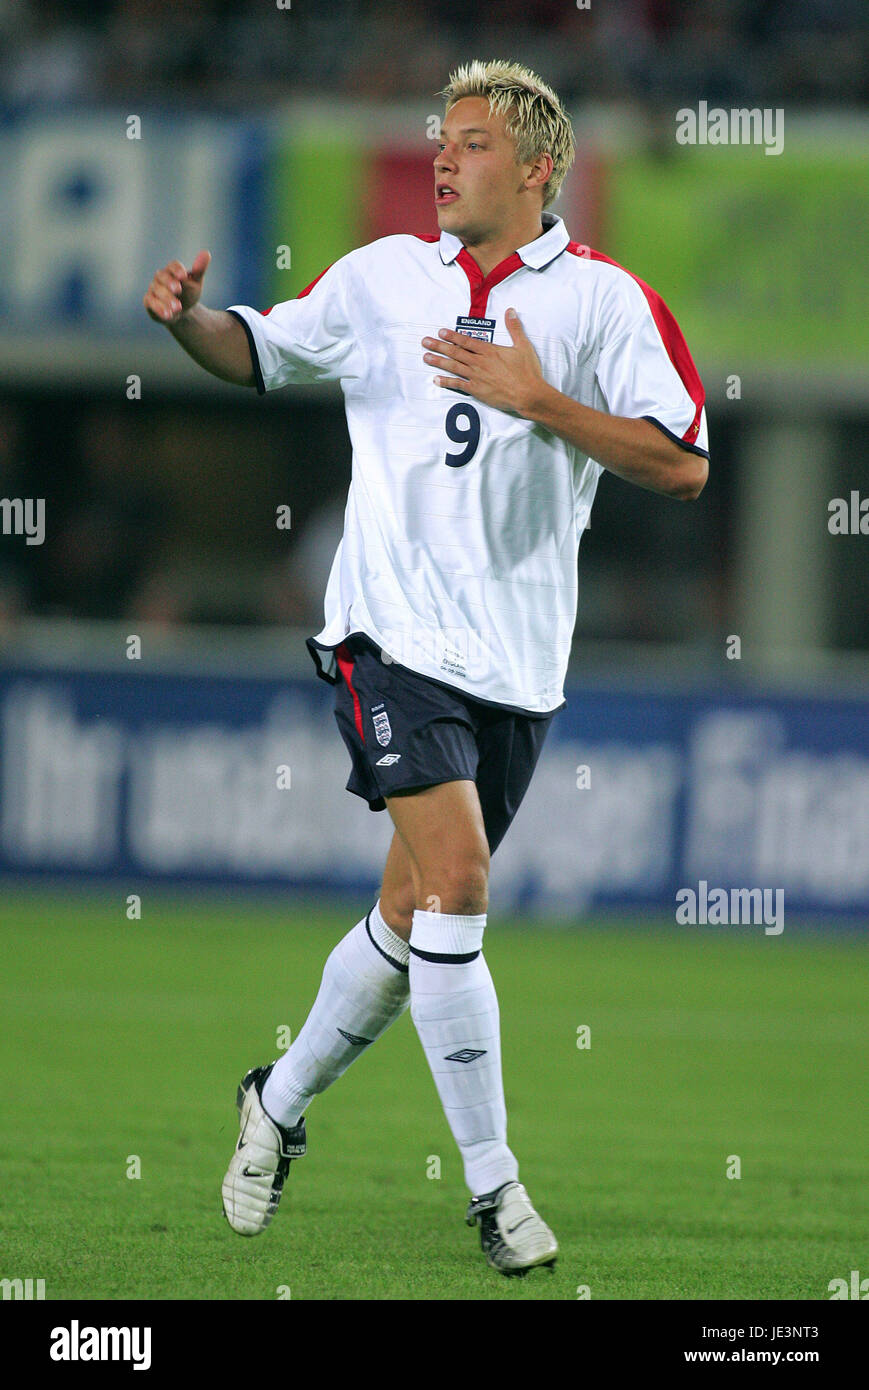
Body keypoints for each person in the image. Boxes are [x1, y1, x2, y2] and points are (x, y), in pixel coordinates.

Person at [143, 58, 709, 1278]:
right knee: (457, 883)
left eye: (468, 141)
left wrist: (539, 399)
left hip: (515, 664)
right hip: (387, 637)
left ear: (538, 165)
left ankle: (275, 1103)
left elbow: (680, 461)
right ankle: (495, 1191)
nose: (442, 158)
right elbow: (260, 350)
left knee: (410, 917)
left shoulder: (607, 303)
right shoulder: (384, 277)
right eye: (437, 139)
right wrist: (189, 320)